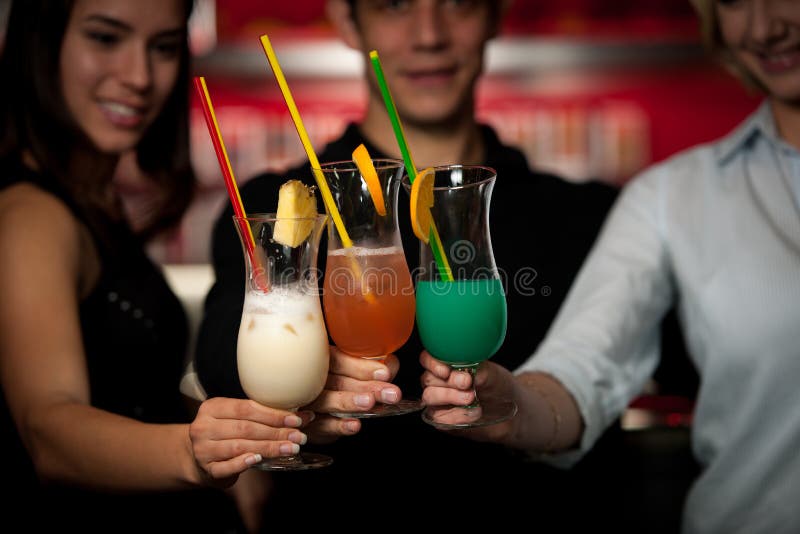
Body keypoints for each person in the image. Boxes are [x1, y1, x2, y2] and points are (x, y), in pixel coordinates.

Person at [195, 0, 629, 530]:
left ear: (495, 15)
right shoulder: (281, 206)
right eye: (395, 5)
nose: (429, 35)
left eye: (457, 4)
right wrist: (301, 388)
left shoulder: (587, 217)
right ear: (349, 20)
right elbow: (220, 356)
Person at [0, 1, 387, 531]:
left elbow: (125, 385)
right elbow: (47, 430)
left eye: (163, 48)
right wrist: (194, 452)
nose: (139, 76)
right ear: (40, 46)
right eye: (106, 38)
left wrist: (212, 427)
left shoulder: (92, 205)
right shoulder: (31, 215)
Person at [421, 0, 800, 533]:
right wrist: (509, 407)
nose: (765, 27)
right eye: (735, 1)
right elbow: (584, 367)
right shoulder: (673, 196)